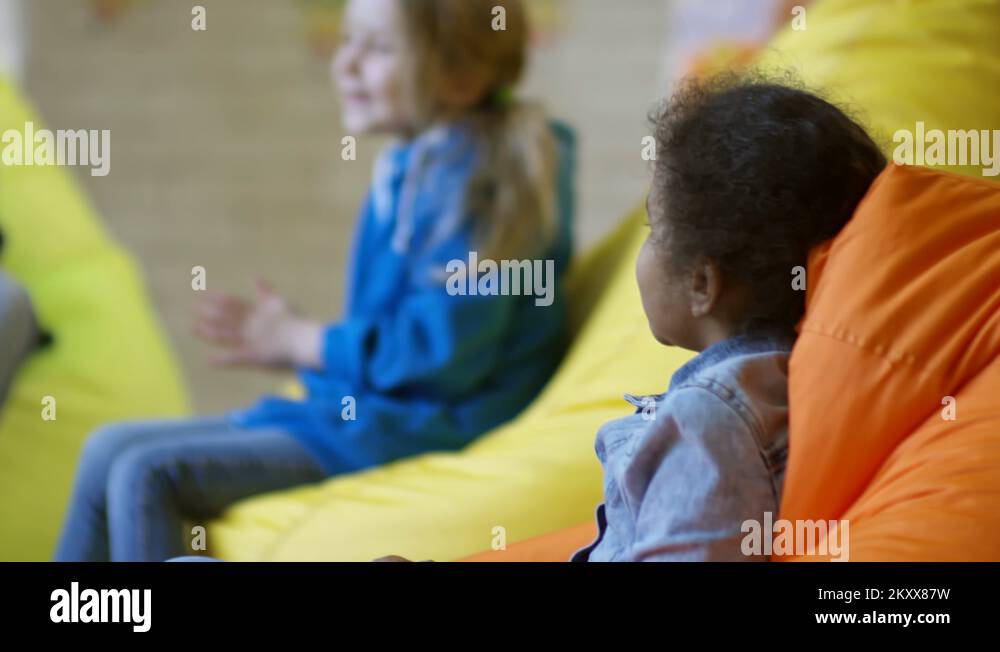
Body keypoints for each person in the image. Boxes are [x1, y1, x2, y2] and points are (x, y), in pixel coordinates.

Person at [55, 0, 574, 562]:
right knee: (106, 447)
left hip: (428, 423)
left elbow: (441, 361)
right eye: (347, 40)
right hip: (385, 409)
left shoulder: (480, 180)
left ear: (461, 76)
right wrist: (305, 347)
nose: (344, 63)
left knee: (148, 474)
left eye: (375, 48)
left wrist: (308, 341)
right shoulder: (420, 164)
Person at [573, 73, 885, 561]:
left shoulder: (710, 420)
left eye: (654, 226)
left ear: (703, 284)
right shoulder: (793, 384)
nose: (646, 246)